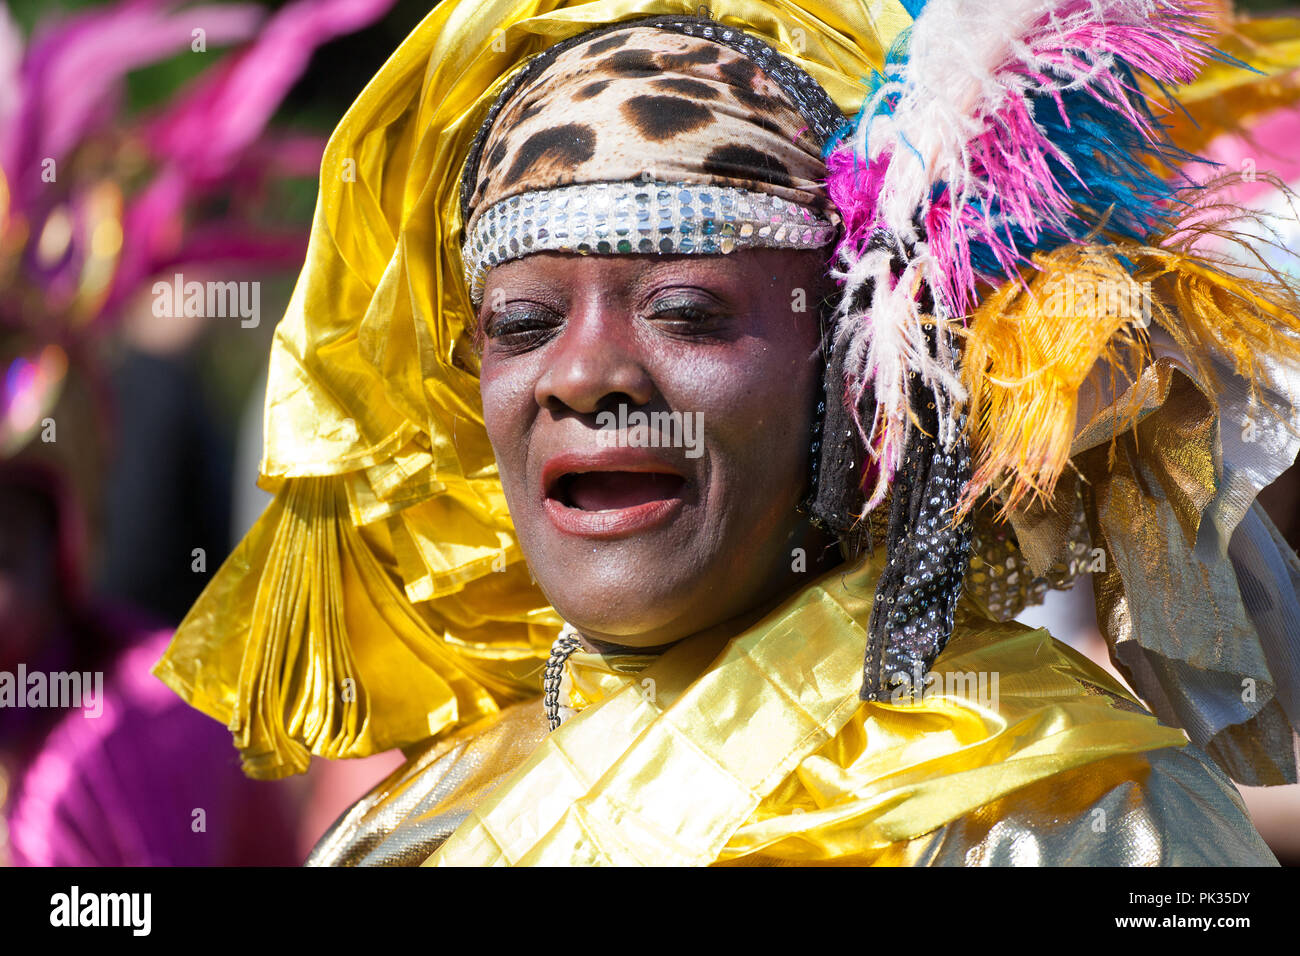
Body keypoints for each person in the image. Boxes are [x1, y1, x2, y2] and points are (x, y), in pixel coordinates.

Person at [157, 0, 1300, 865]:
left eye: (687, 310)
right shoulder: (411, 826)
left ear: (857, 370)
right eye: (521, 322)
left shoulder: (1074, 815)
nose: (587, 374)